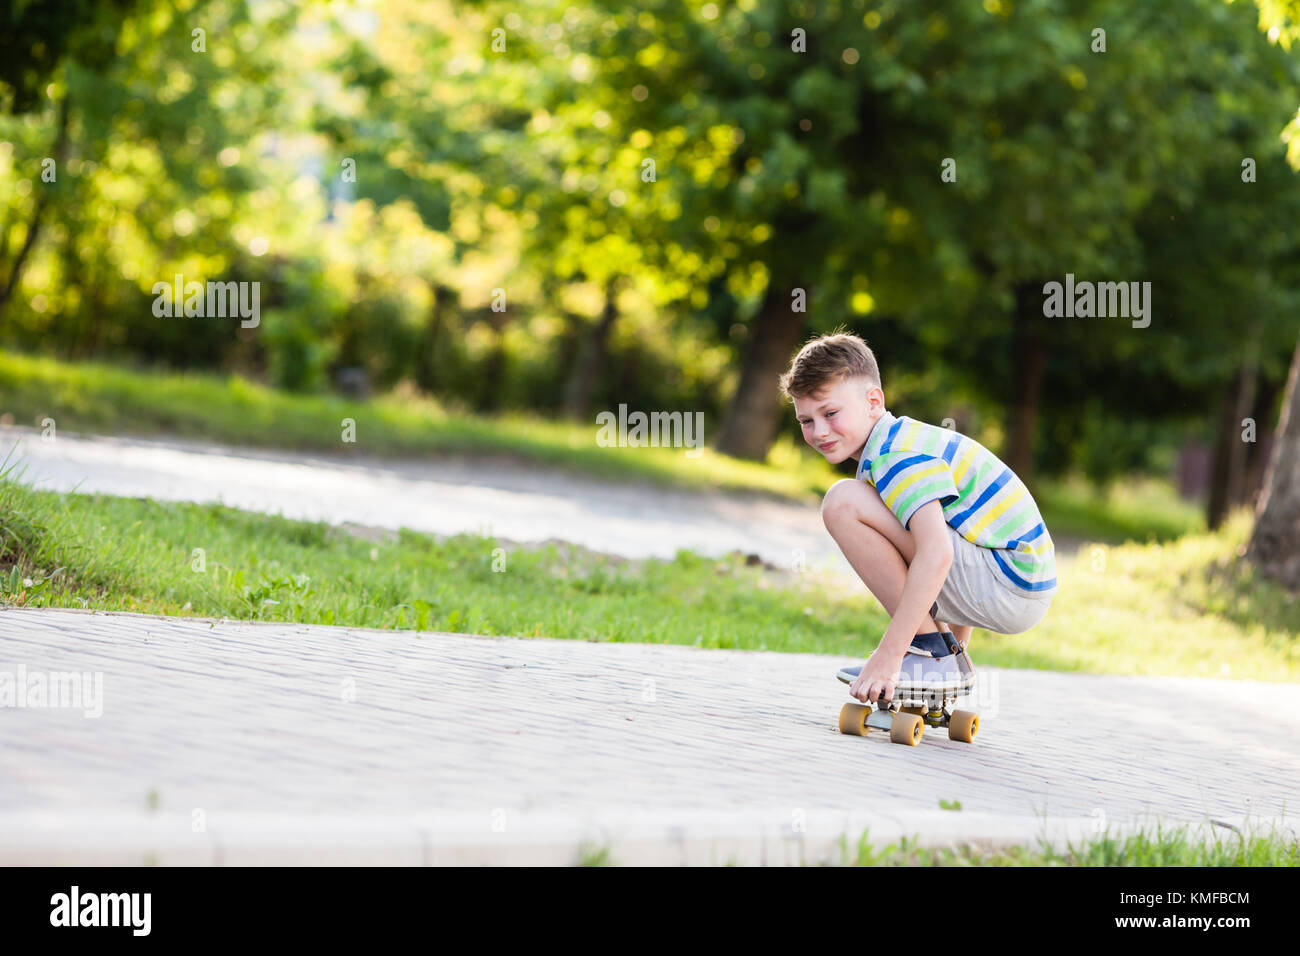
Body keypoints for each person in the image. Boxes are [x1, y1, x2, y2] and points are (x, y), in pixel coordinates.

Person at [779, 331, 1057, 706]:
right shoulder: (900, 441)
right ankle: (944, 659)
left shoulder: (895, 455)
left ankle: (926, 653)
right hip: (1014, 583)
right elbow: (964, 531)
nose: (820, 431)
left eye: (830, 413)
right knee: (870, 507)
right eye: (806, 421)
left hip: (1009, 585)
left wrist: (889, 656)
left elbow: (938, 553)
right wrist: (958, 653)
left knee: (842, 502)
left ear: (873, 401)